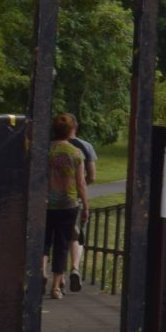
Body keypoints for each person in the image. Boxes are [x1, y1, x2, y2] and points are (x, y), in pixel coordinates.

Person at [46, 111, 86, 301]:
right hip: (68, 204)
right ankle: (55, 287)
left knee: (43, 242)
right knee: (62, 245)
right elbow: (81, 183)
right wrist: (86, 205)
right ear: (72, 129)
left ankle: (41, 273)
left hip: (45, 203)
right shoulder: (75, 153)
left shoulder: (44, 150)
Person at [64, 121, 98, 291]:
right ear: (75, 127)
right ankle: (75, 268)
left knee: (54, 237)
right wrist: (80, 192)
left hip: (51, 200)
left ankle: (57, 278)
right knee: (75, 236)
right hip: (74, 199)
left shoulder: (50, 146)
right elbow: (91, 176)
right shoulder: (85, 147)